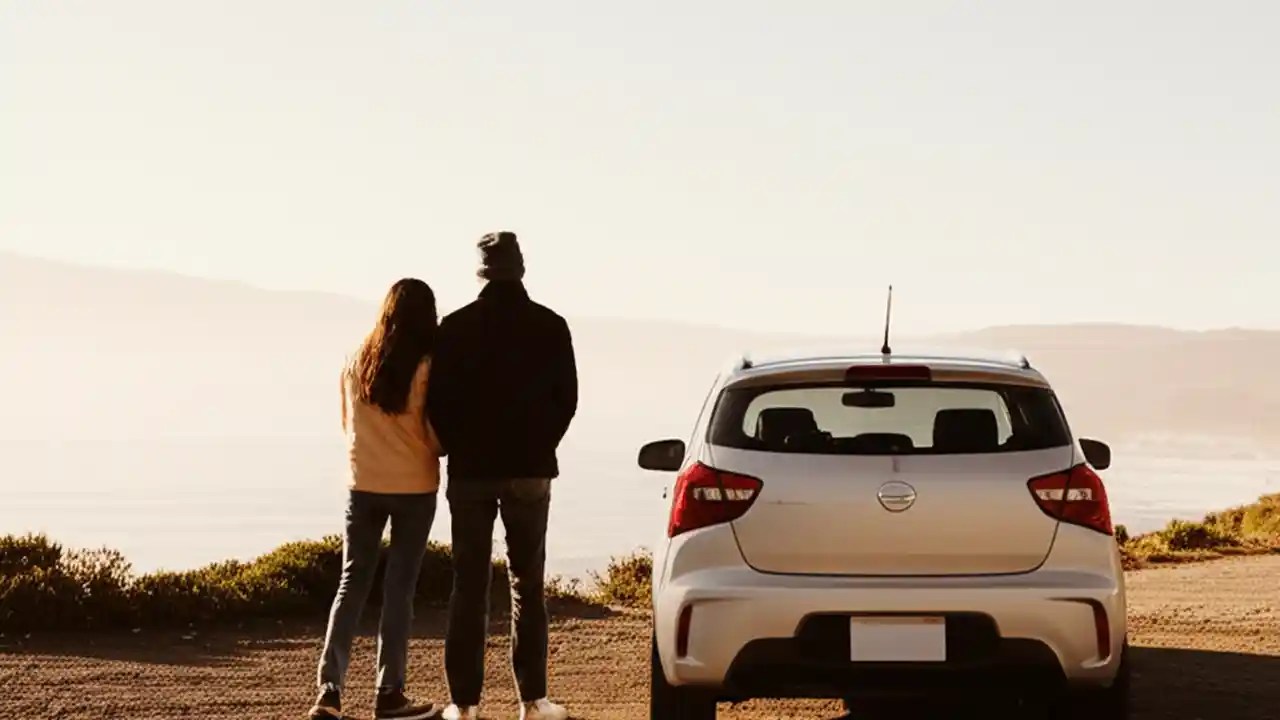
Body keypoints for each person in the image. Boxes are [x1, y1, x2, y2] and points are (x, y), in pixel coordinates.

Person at [427, 232, 578, 720]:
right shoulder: (551, 326)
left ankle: (464, 704)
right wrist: (541, 444)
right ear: (521, 270)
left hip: (471, 471)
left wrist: (459, 447)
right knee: (526, 584)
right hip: (531, 470)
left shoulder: (454, 328)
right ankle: (532, 701)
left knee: (468, 585)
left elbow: (438, 404)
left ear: (482, 273)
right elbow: (566, 400)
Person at [309, 278, 445, 720]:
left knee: (352, 584)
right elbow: (436, 438)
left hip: (362, 483)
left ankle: (329, 692)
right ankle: (389, 694)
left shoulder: (356, 360)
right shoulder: (426, 366)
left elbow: (346, 422)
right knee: (399, 591)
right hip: (414, 486)